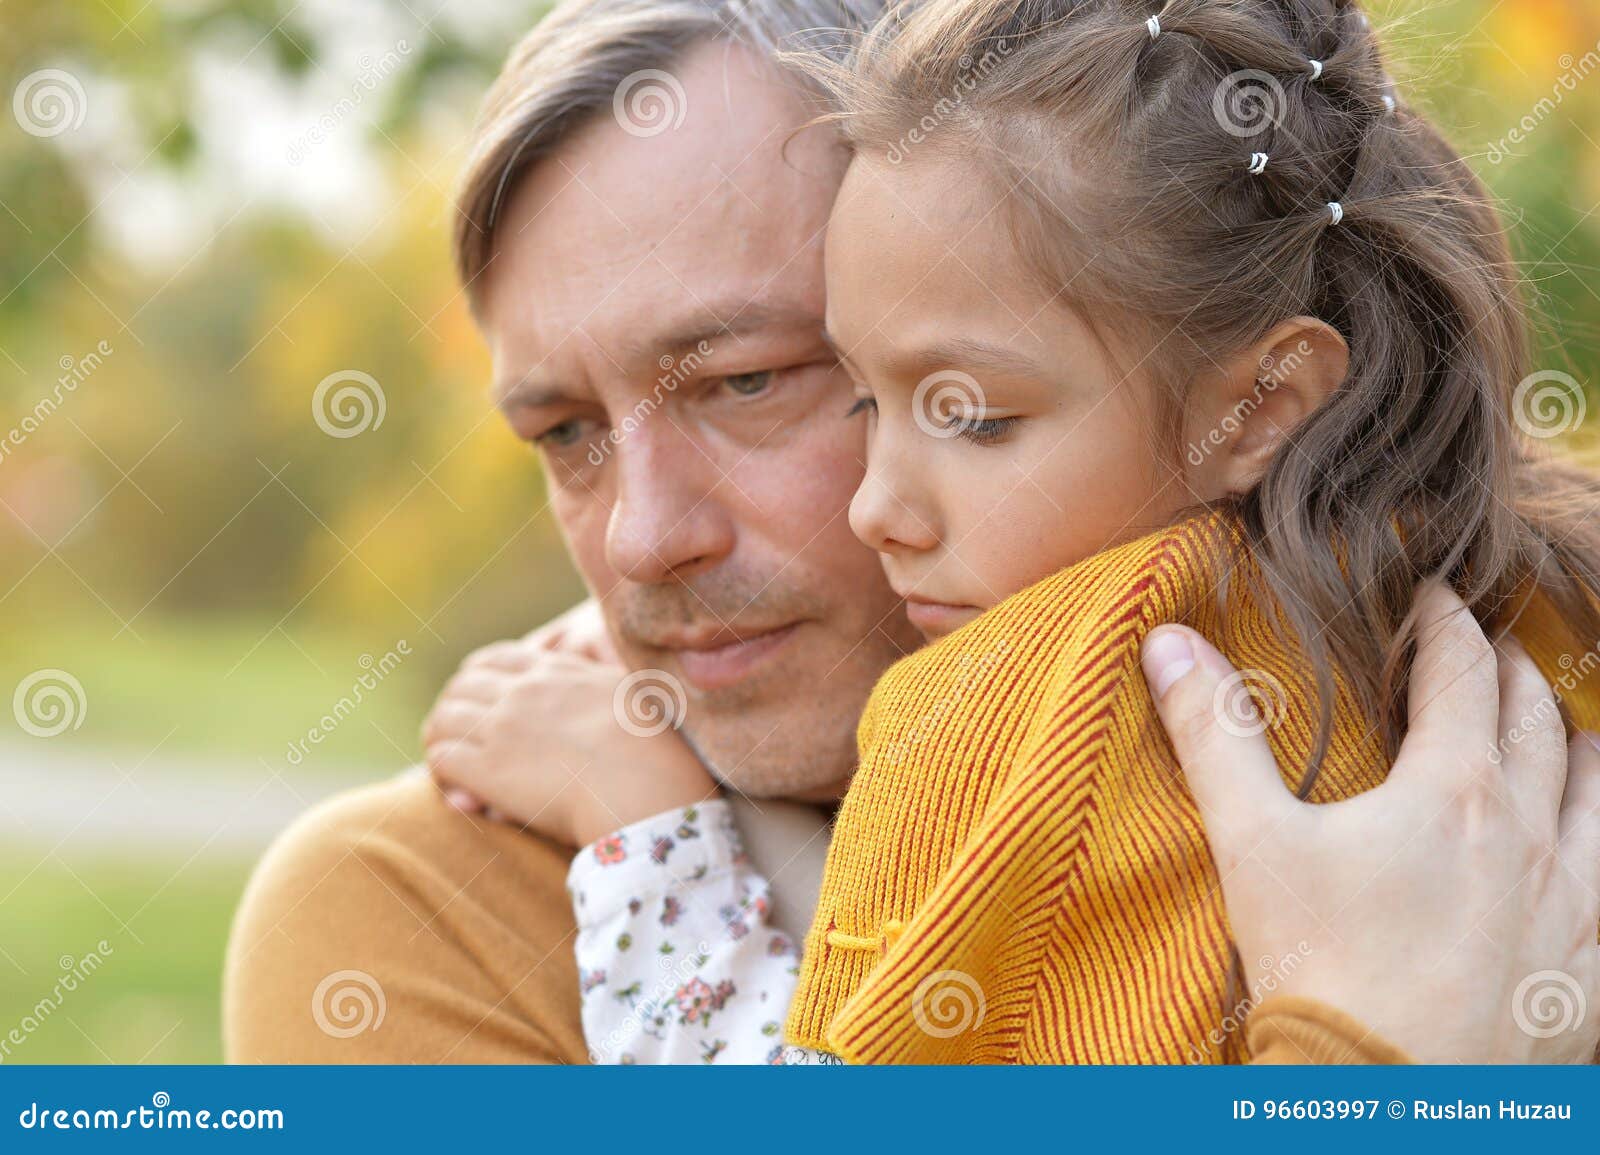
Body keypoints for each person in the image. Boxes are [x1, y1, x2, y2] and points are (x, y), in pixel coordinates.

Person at [223, 0, 1598, 1065]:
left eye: (747, 380)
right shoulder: (421, 909)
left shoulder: (1512, 728)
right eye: (565, 435)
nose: (645, 538)